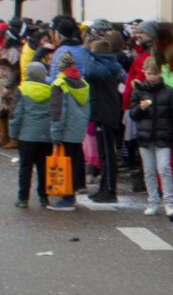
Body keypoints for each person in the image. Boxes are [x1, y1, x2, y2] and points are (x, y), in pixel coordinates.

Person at [129, 56, 173, 214]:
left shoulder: (171, 93)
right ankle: (153, 201)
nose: (152, 76)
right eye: (150, 73)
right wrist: (140, 109)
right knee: (149, 171)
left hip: (163, 137)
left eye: (155, 73)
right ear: (144, 72)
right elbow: (133, 115)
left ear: (160, 73)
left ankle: (169, 202)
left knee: (164, 169)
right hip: (145, 138)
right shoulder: (138, 92)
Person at [84, 37, 126, 203]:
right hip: (105, 111)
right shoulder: (110, 66)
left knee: (108, 154)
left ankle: (109, 189)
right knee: (104, 153)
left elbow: (89, 70)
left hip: (105, 112)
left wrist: (85, 51)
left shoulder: (102, 67)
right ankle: (104, 187)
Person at [47, 51, 90, 210]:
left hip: (65, 130)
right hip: (78, 130)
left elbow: (58, 112)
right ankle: (73, 194)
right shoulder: (84, 84)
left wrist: (55, 133)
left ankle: (67, 198)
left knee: (65, 165)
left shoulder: (59, 85)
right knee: (76, 161)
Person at [9, 60, 52, 208]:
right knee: (43, 167)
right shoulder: (51, 90)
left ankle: (23, 198)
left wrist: (13, 135)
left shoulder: (22, 89)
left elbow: (16, 114)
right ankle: (44, 197)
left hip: (27, 136)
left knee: (25, 168)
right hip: (46, 136)